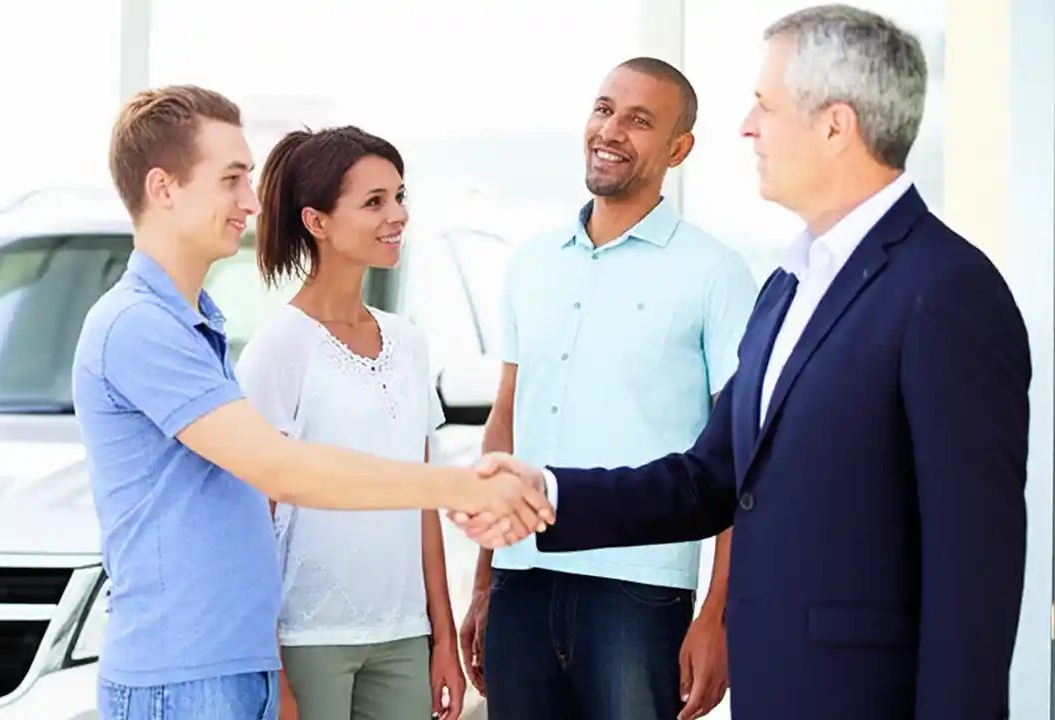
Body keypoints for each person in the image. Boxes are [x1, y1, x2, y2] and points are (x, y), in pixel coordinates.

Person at [459, 6, 1031, 720]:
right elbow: (708, 481)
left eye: (766, 105)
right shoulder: (788, 285)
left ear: (835, 124)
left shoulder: (946, 289)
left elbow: (973, 571)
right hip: (773, 692)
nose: (747, 128)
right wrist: (544, 492)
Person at [72, 85, 553, 720]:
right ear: (164, 189)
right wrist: (464, 487)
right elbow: (281, 471)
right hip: (185, 677)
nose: (250, 201)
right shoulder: (139, 325)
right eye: (232, 179)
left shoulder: (195, 325)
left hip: (231, 667)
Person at [456, 57, 756, 720]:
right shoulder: (530, 264)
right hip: (520, 582)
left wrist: (718, 615)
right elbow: (505, 422)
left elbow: (742, 455)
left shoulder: (715, 273)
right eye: (604, 109)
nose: (611, 130)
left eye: (639, 120)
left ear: (680, 148)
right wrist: (484, 583)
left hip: (640, 592)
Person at [234, 126, 465, 720]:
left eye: (399, 195)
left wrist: (442, 639)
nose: (398, 215)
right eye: (374, 202)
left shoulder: (410, 343)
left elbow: (424, 500)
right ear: (318, 222)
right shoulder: (279, 347)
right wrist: (271, 665)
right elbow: (250, 516)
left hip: (402, 634)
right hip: (307, 637)